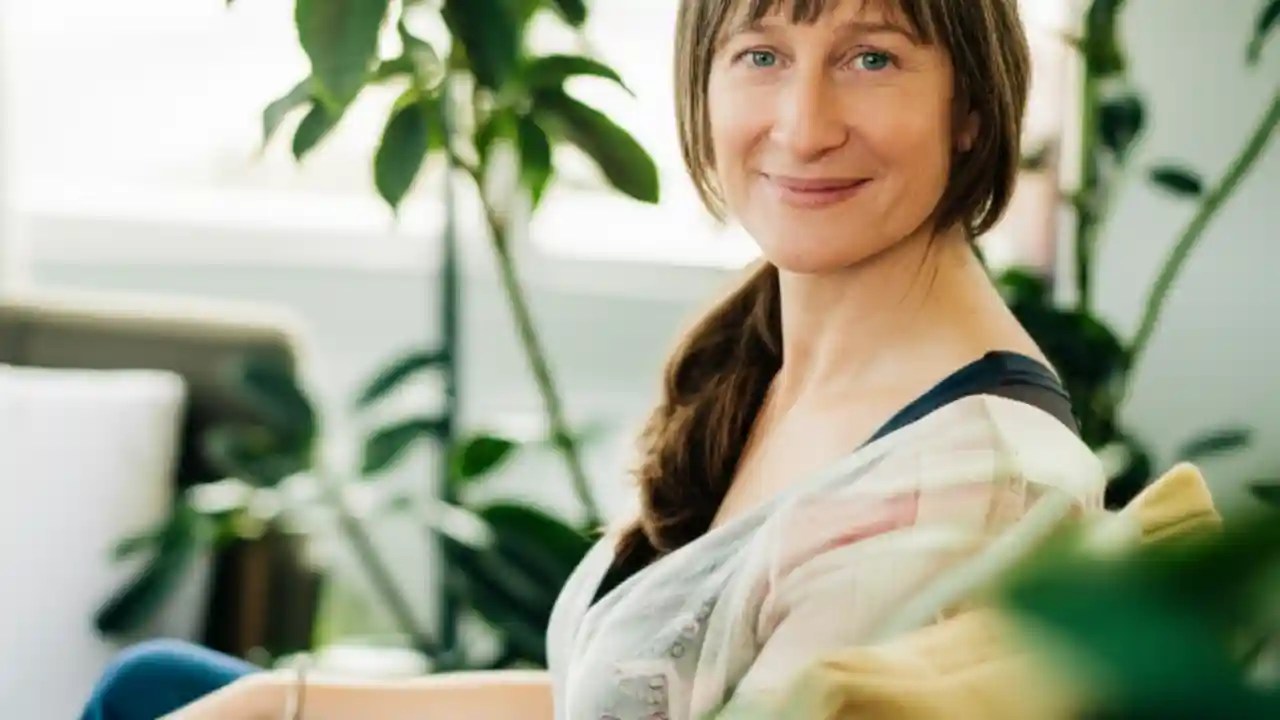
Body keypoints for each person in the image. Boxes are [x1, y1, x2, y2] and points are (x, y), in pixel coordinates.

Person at [81, 0, 1105, 717]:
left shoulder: (970, 482)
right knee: (166, 690)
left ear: (969, 107)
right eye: (760, 54)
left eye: (869, 57)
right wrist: (282, 701)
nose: (801, 125)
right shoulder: (768, 373)